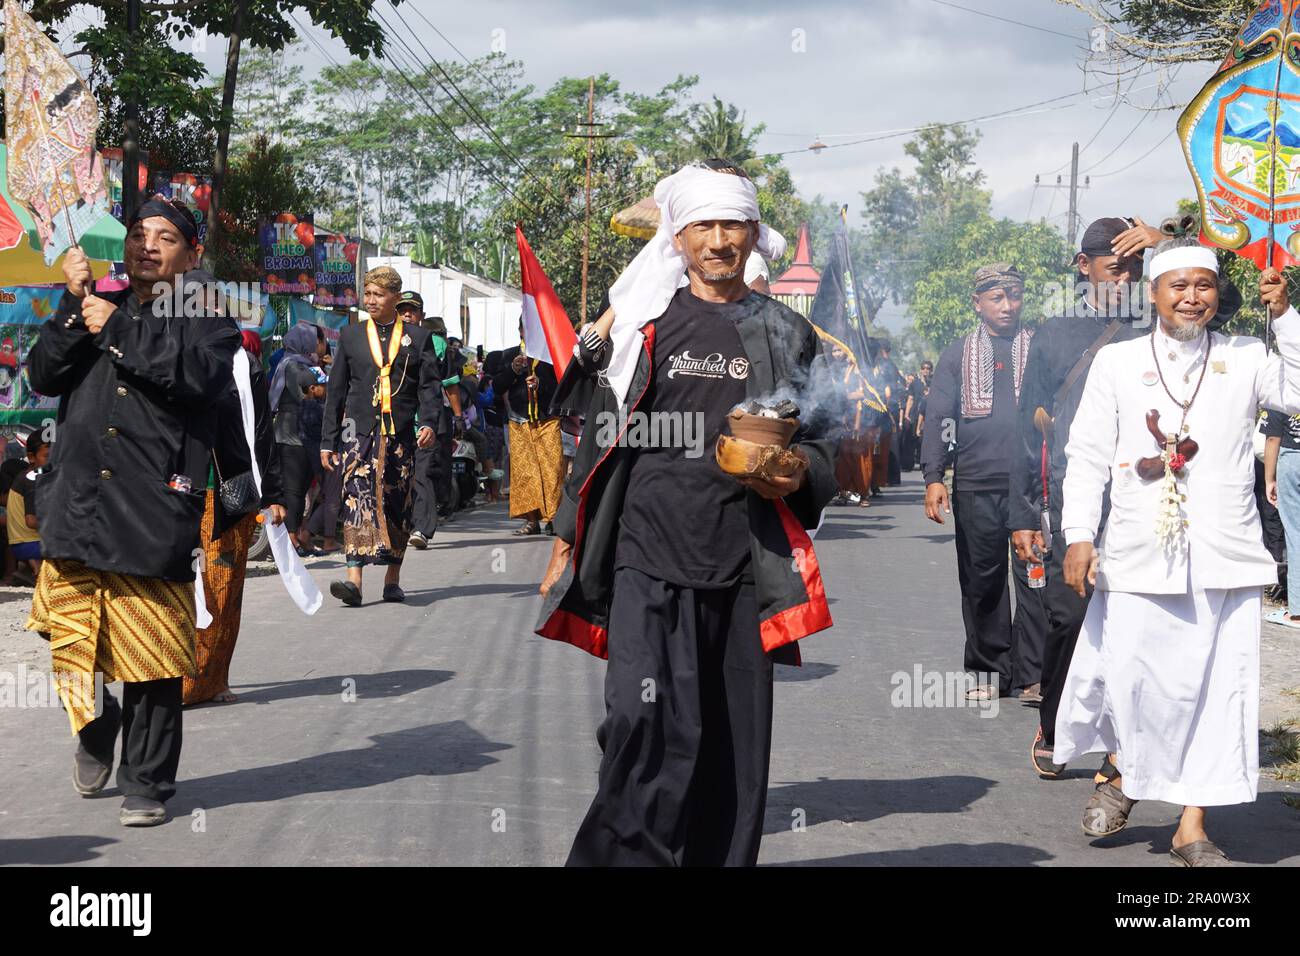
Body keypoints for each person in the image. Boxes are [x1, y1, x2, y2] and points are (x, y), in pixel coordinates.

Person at [537, 160, 835, 867]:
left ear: (753, 233)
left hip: (743, 567)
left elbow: (826, 443)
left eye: (732, 224)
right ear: (679, 236)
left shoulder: (785, 334)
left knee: (732, 748)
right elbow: (597, 438)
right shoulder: (644, 324)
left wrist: (795, 472)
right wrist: (565, 535)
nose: (719, 240)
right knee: (640, 723)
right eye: (703, 225)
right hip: (646, 556)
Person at [1055, 239, 1299, 866]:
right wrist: (1079, 533)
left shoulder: (1248, 355)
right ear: (1155, 294)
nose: (1193, 298)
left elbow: (1297, 396)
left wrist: (1284, 318)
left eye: (1204, 286)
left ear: (1218, 295)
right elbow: (1085, 453)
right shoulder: (1118, 361)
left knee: (1220, 690)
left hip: (1224, 552)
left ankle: (1192, 824)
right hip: (1139, 550)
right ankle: (1125, 774)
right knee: (1135, 683)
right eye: (1179, 287)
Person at [26, 195, 240, 827]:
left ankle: (146, 780)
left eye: (166, 236)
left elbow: (195, 378)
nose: (147, 244)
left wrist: (112, 329)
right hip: (77, 503)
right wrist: (74, 305)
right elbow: (43, 374)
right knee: (72, 636)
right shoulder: (95, 305)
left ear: (192, 254)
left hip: (151, 505)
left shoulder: (210, 317)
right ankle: (96, 724)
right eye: (139, 234)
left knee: (152, 653)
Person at [1008, 216, 1161, 772]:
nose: (1126, 278)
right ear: (1084, 266)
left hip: (1146, 495)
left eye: (1136, 267)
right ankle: (1053, 724)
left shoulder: (1159, 321)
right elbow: (1028, 426)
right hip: (1073, 496)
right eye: (1115, 267)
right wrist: (1023, 513)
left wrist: (1170, 245)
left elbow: (1232, 301)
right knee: (1069, 617)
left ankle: (1124, 742)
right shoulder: (1054, 331)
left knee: (1133, 620)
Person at [921, 263, 1047, 701]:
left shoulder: (1040, 348)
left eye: (1014, 295)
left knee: (1035, 578)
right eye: (997, 297)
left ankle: (1033, 674)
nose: (1008, 305)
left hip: (1032, 486)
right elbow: (939, 417)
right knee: (983, 580)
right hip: (975, 483)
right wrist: (934, 476)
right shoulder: (957, 354)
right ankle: (990, 671)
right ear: (978, 303)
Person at [185, 280, 286, 706]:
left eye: (210, 303)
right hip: (172, 494)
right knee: (176, 591)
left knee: (223, 587)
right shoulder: (164, 354)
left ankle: (207, 679)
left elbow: (262, 429)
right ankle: (173, 678)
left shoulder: (243, 363)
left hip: (226, 492)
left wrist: (274, 493)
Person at [320, 267, 440, 605]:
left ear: (395, 298)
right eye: (368, 293)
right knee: (356, 499)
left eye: (378, 294)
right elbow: (336, 392)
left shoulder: (417, 339)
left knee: (394, 504)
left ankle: (392, 579)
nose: (370, 300)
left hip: (400, 436)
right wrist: (328, 441)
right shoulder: (351, 336)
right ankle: (353, 581)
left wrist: (429, 421)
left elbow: (430, 389)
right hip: (358, 433)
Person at [494, 330, 563, 536]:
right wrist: (513, 371)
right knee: (525, 473)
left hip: (547, 420)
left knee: (552, 471)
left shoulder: (550, 355)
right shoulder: (509, 355)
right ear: (521, 331)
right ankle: (531, 522)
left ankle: (553, 520)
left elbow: (561, 385)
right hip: (519, 420)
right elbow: (497, 386)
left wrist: (540, 384)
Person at [407, 305, 461, 545]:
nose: (406, 315)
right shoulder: (381, 340)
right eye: (402, 311)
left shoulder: (436, 344)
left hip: (427, 421)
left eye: (411, 311)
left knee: (423, 472)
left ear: (421, 316)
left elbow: (449, 385)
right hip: (393, 421)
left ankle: (421, 528)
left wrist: (458, 416)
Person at [270, 324, 323, 556]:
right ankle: (290, 539)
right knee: (293, 489)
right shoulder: (292, 365)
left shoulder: (304, 363)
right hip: (291, 435)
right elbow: (304, 394)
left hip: (303, 435)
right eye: (313, 340)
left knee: (301, 488)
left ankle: (297, 536)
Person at [1262, 407, 1300, 628]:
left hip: (1293, 458)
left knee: (1295, 534)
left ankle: (1296, 612)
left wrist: (1269, 479)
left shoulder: (1282, 389)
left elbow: (1273, 437)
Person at [7, 432, 50, 578]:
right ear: (31, 457)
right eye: (48, 457)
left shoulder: (27, 477)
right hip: (30, 544)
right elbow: (31, 521)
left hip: (21, 544)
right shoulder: (32, 482)